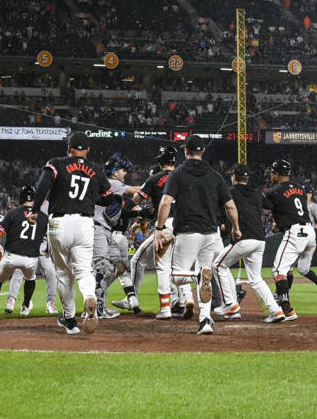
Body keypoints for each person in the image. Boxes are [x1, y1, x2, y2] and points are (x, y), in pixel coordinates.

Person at [29, 131, 116, 335]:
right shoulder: (95, 169)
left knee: (63, 274)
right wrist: (90, 197)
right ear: (88, 150)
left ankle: (69, 320)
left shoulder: (56, 163)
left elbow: (42, 185)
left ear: (68, 148)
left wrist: (35, 209)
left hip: (60, 222)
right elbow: (109, 198)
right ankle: (89, 296)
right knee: (84, 270)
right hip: (85, 223)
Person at [154, 135, 240, 335]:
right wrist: (236, 227)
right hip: (211, 233)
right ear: (203, 151)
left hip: (188, 231)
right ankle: (205, 319)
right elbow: (230, 206)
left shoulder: (178, 173)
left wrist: (159, 228)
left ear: (186, 151)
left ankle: (198, 276)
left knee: (176, 276)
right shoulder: (214, 175)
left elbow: (165, 202)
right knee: (205, 276)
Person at [114, 145, 192, 319]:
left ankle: (136, 300)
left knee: (140, 261)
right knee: (178, 266)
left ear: (160, 160)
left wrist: (150, 192)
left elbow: (136, 198)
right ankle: (183, 300)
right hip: (185, 226)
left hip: (166, 225)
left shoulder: (155, 178)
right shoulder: (184, 177)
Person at [213, 164, 286, 323]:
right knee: (256, 278)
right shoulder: (256, 193)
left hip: (244, 238)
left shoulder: (230, 191)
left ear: (234, 176)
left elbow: (219, 206)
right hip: (260, 240)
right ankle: (276, 310)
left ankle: (230, 305)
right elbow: (271, 206)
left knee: (218, 266)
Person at [0, 185, 49, 321]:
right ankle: (25, 305)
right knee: (30, 279)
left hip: (11, 256)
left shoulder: (12, 213)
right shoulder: (43, 217)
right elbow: (51, 236)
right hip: (31, 259)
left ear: (21, 198)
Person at [262, 159, 314, 321]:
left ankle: (287, 310)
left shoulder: (273, 191)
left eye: (272, 173)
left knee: (278, 271)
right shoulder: (300, 188)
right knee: (287, 269)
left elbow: (267, 205)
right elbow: (291, 207)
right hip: (310, 232)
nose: (271, 176)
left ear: (276, 174)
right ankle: (281, 297)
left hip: (295, 232)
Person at [92, 152, 141, 318]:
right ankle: (97, 308)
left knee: (119, 265)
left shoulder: (109, 184)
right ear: (114, 172)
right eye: (123, 170)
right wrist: (157, 185)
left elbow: (123, 212)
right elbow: (136, 191)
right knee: (102, 269)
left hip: (106, 231)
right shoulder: (113, 183)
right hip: (97, 229)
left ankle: (100, 304)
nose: (125, 173)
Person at [287, 186, 317, 301]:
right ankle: (285, 293)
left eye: (305, 192)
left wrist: (312, 232)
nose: (303, 194)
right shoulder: (295, 206)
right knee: (287, 268)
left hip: (308, 240)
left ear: (310, 194)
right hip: (296, 239)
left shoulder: (314, 207)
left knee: (303, 270)